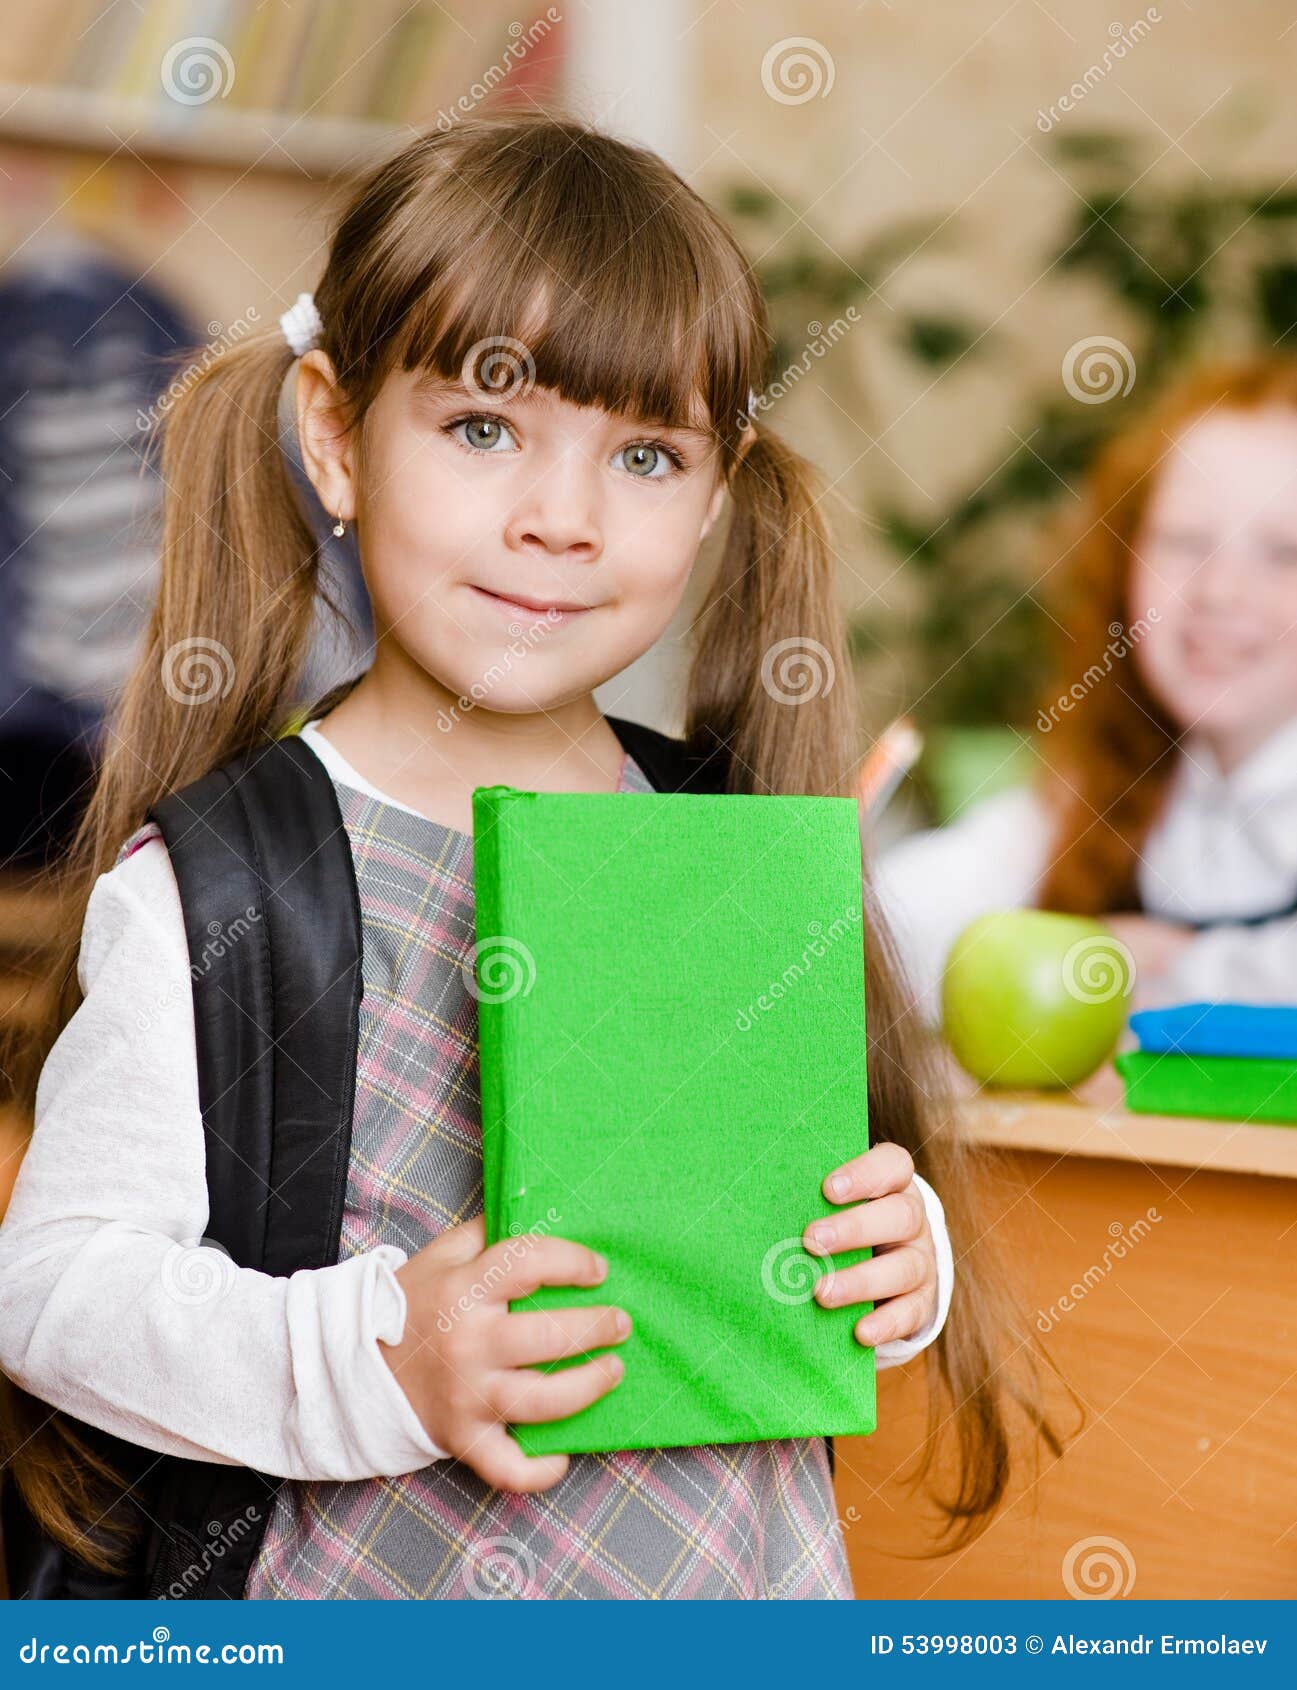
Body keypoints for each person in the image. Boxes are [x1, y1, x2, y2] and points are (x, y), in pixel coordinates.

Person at [0, 114, 1057, 1600]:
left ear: (713, 486)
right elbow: (55, 1292)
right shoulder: (229, 881)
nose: (560, 520)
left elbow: (792, 1208)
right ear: (334, 435)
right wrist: (383, 1355)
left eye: (642, 454)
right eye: (483, 428)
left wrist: (899, 1254)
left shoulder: (724, 841)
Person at [877, 358, 1297, 1026]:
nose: (1219, 592)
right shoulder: (1104, 787)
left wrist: (1163, 966)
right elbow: (884, 932)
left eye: (1283, 552)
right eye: (1185, 542)